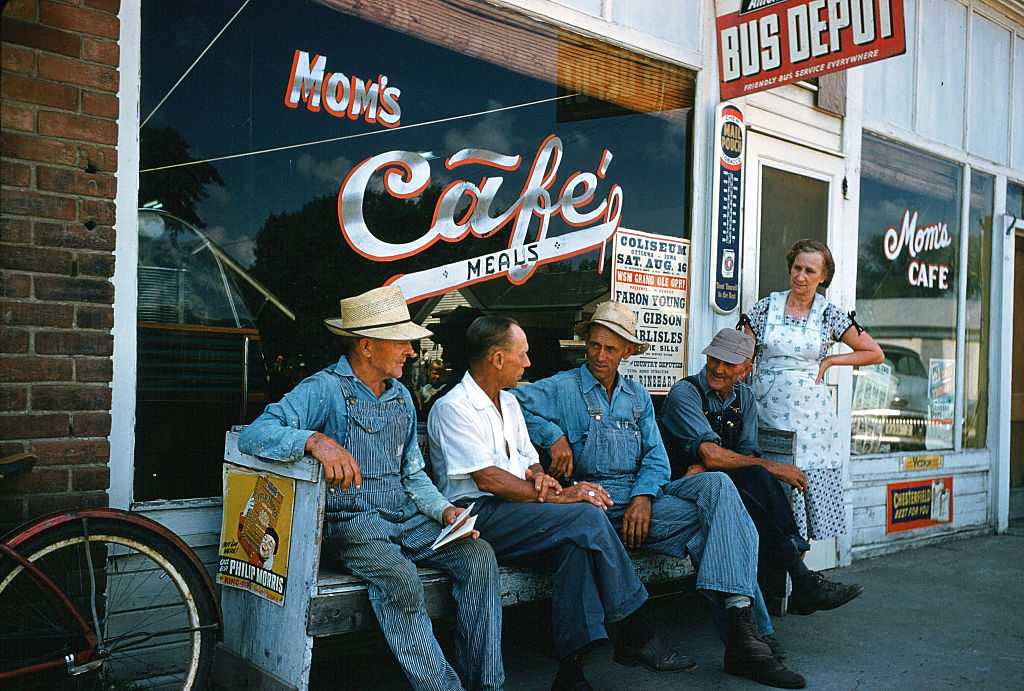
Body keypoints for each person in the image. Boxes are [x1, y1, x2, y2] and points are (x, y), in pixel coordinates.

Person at [511, 303, 806, 689]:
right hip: (593, 507)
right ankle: (747, 637)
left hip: (641, 503)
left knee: (719, 490)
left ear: (628, 353)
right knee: (714, 532)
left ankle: (743, 632)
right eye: (595, 346)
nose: (600, 356)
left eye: (611, 349)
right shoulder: (562, 387)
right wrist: (554, 437)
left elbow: (656, 457)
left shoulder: (637, 397)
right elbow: (508, 402)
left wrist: (644, 496)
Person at [239, 285, 504, 691]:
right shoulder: (324, 388)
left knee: (478, 556)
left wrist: (445, 512)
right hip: (353, 523)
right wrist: (314, 440)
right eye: (401, 343)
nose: (411, 352)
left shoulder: (400, 395)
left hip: (404, 518)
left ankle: (486, 683)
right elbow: (256, 434)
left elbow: (413, 474)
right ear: (366, 345)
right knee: (400, 578)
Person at [428, 316, 692, 691]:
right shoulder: (453, 406)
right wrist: (560, 493)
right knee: (584, 515)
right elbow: (489, 480)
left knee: (576, 548)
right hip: (475, 516)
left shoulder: (507, 402)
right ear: (498, 359)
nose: (529, 363)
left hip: (515, 510)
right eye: (523, 355)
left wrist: (538, 473)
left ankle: (571, 671)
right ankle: (635, 626)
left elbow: (523, 459)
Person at [660, 328, 863, 616]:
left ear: (746, 369)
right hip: (684, 487)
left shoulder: (744, 397)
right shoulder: (686, 393)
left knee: (755, 484)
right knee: (759, 475)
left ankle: (777, 596)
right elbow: (711, 454)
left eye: (728, 364)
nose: (717, 369)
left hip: (719, 480)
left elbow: (744, 453)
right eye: (714, 360)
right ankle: (799, 577)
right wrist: (770, 466)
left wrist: (718, 463)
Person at [742, 239, 883, 547]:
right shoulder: (766, 307)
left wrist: (832, 359)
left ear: (823, 277)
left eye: (810, 270)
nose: (801, 277)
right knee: (769, 499)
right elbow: (743, 354)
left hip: (811, 426)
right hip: (766, 413)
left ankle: (797, 589)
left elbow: (873, 352)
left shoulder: (830, 315)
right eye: (797, 268)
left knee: (800, 521)